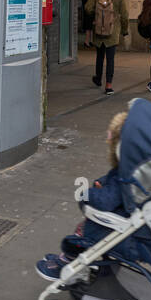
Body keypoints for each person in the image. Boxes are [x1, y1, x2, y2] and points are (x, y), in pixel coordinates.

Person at [36, 111, 128, 279]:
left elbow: (106, 200)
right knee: (87, 227)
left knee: (84, 231)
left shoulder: (126, 175)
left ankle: (66, 262)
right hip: (130, 219)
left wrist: (87, 194)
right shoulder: (135, 172)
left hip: (121, 228)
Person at [84, 0, 129, 95]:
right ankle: (108, 85)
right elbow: (125, 15)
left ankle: (98, 79)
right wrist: (124, 30)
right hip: (113, 33)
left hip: (98, 30)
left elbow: (88, 8)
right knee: (110, 59)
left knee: (99, 57)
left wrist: (97, 17)